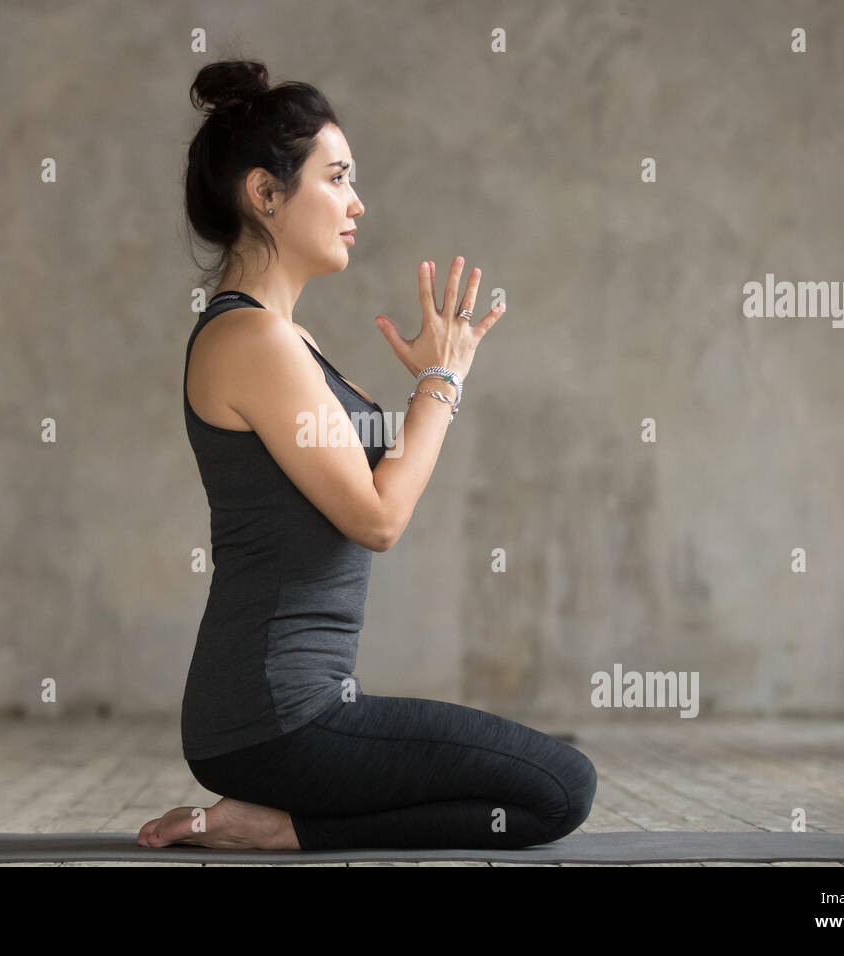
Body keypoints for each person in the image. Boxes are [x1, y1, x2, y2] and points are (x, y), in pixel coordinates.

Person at [138, 59, 596, 850]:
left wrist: (430, 386)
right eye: (338, 178)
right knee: (561, 790)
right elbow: (379, 517)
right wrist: (442, 386)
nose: (357, 203)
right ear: (265, 194)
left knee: (549, 789)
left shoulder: (287, 341)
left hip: (283, 708)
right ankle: (283, 831)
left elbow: (365, 474)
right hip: (277, 713)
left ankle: (279, 825)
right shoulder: (254, 339)